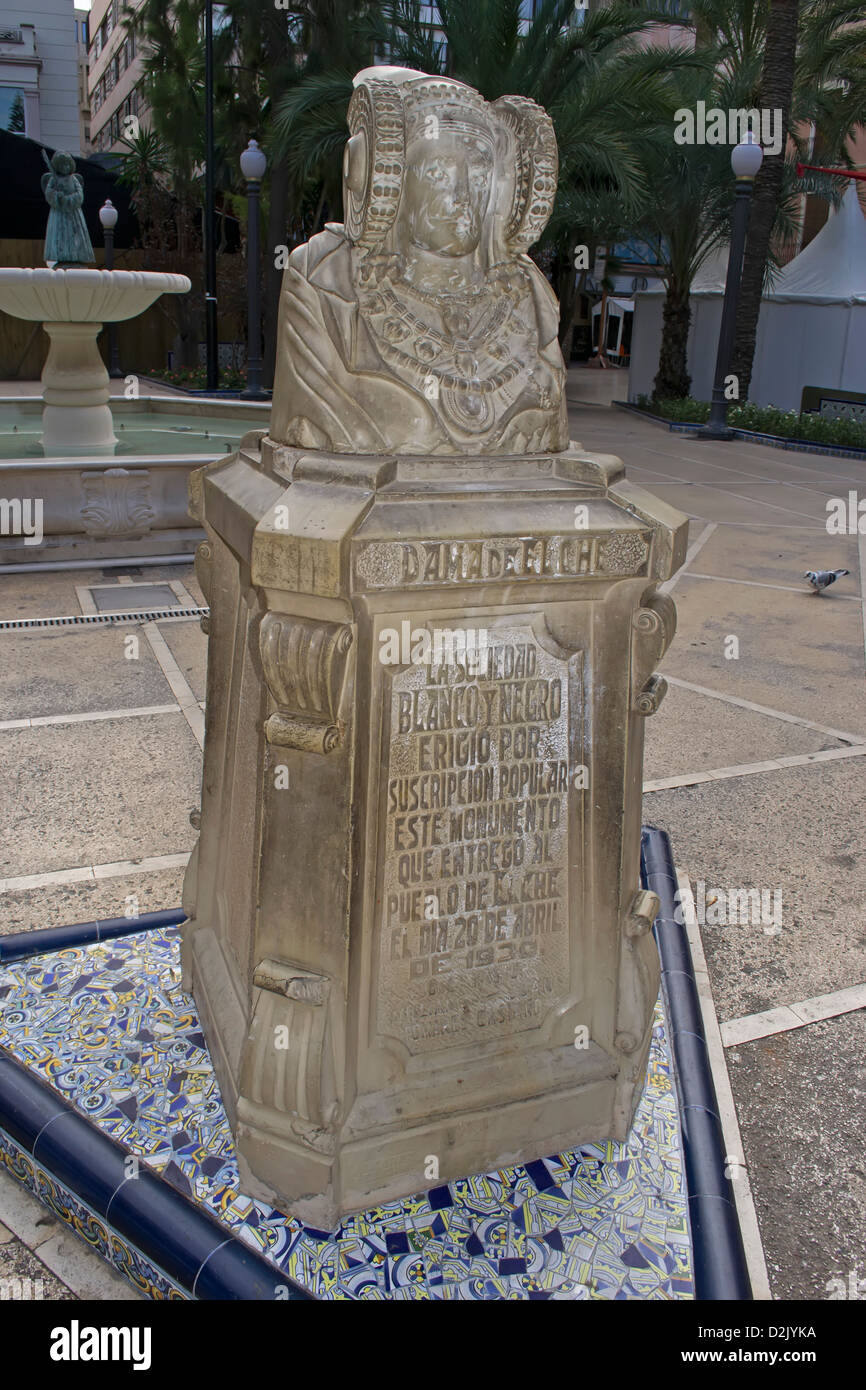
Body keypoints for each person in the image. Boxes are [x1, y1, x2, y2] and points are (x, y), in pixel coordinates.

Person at [270, 68, 567, 456]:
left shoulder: (530, 294)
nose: (462, 194)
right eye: (438, 170)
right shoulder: (324, 281)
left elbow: (550, 410)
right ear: (385, 181)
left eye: (479, 170)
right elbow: (330, 418)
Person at [41, 150, 95, 268]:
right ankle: (62, 255)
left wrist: (68, 199)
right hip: (59, 215)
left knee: (75, 235)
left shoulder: (74, 179)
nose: (65, 168)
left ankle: (76, 255)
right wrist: (57, 196)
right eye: (62, 165)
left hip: (74, 214)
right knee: (60, 235)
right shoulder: (53, 180)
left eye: (66, 165)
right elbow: (49, 193)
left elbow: (80, 195)